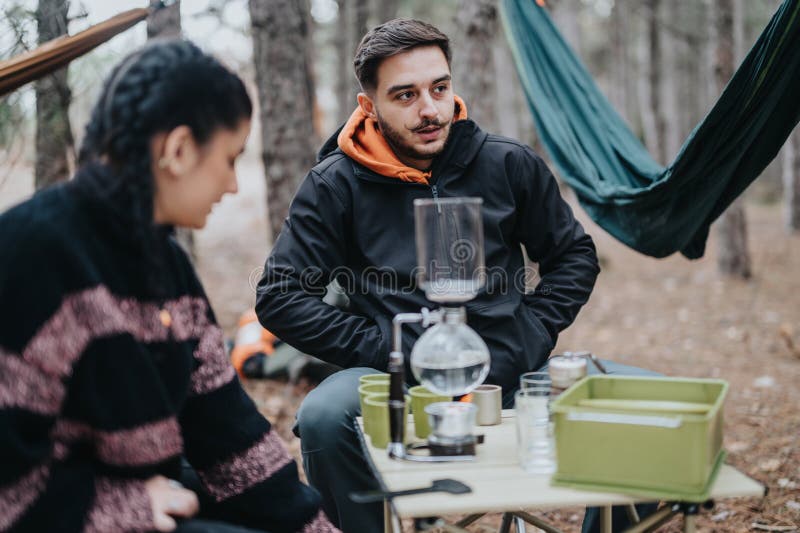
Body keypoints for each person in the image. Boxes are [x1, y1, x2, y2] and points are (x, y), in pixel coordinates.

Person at [256, 20, 653, 533]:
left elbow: (573, 255)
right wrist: (385, 347)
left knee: (649, 406)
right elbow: (280, 296)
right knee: (323, 416)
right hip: (396, 385)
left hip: (511, 380)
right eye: (405, 95)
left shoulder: (507, 164)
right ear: (369, 104)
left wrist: (529, 331)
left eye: (439, 88)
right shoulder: (335, 185)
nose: (429, 109)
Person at [0, 40, 339, 533]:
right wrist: (126, 506)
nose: (233, 185)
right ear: (178, 150)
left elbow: (230, 438)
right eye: (229, 159)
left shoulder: (167, 269)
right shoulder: (33, 256)